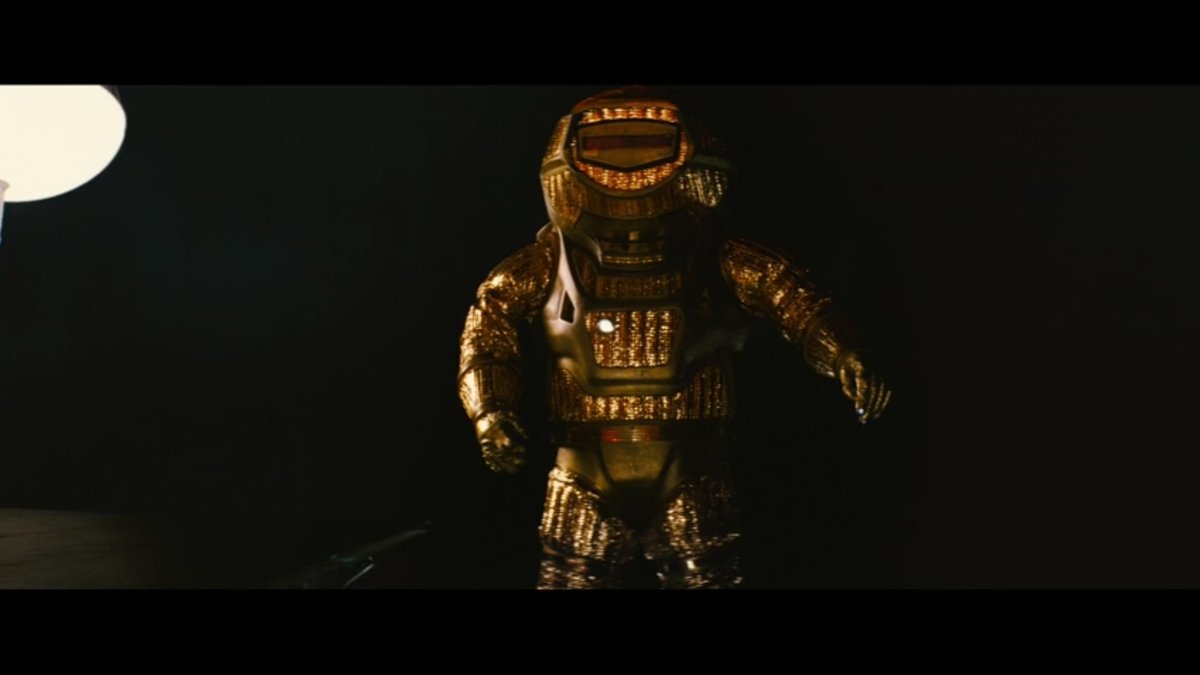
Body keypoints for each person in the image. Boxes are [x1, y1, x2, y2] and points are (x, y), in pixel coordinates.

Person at [457, 87, 890, 589]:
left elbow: (796, 301)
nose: (628, 175)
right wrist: (489, 411)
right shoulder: (550, 260)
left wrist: (843, 354)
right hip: (597, 466)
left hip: (684, 464)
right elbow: (488, 331)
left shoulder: (720, 255)